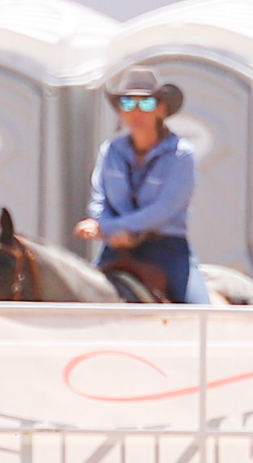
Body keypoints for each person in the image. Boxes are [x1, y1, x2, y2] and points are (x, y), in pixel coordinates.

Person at [75, 66, 208, 304]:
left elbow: (165, 209)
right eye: (127, 103)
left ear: (161, 109)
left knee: (200, 312)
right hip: (115, 250)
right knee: (80, 302)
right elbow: (100, 198)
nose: (136, 111)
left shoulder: (181, 155)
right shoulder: (111, 150)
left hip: (166, 250)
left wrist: (108, 228)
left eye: (145, 103)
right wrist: (109, 228)